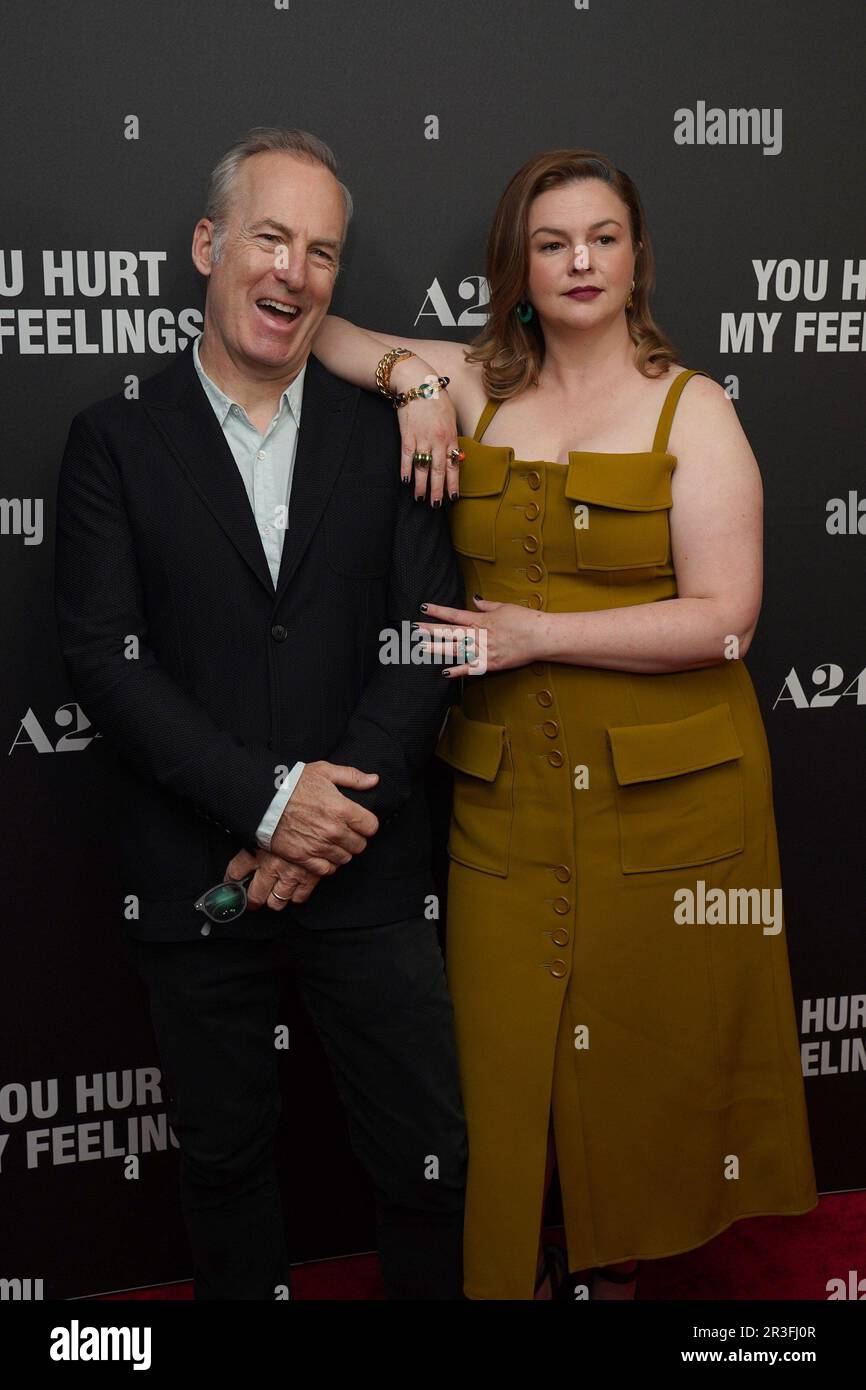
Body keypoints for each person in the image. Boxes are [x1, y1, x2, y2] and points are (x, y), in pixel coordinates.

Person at [305, 147, 819, 1300]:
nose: (577, 260)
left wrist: (536, 634)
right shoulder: (484, 380)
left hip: (673, 796)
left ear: (635, 259)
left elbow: (726, 620)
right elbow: (325, 334)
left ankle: (612, 1278)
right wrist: (414, 379)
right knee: (491, 1072)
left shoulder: (693, 408)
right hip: (508, 794)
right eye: (550, 243)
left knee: (637, 1071)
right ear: (518, 268)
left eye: (599, 237)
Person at [54, 126, 468, 1300]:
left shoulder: (393, 429)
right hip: (197, 871)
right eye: (270, 236)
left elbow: (431, 631)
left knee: (426, 1163)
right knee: (226, 1169)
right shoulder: (113, 440)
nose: (293, 270)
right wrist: (270, 799)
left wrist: (327, 809)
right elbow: (104, 662)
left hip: (370, 866)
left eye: (321, 251)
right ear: (208, 245)